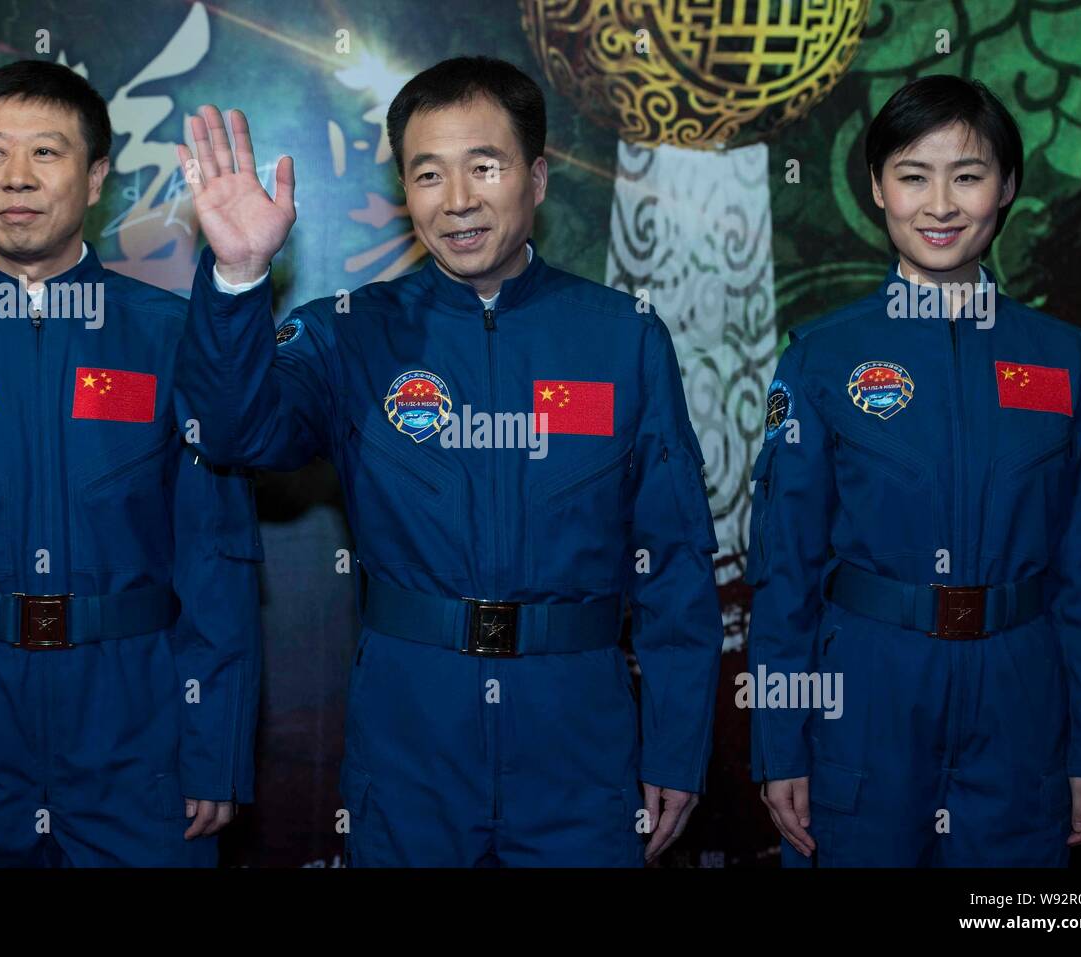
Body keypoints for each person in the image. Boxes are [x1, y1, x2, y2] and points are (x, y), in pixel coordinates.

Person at [173, 56, 722, 866]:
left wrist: (676, 744)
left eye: (485, 167)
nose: (457, 199)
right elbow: (232, 433)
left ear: (536, 178)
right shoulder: (348, 332)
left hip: (579, 733)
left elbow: (675, 560)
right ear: (405, 192)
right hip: (411, 728)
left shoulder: (622, 335)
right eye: (428, 173)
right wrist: (239, 275)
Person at [0, 60, 262, 866]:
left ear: (96, 175)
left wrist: (213, 744)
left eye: (48, 152)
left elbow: (216, 558)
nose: (18, 178)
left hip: (136, 721)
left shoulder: (170, 337)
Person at [748, 74, 1081, 867]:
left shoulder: (1063, 359)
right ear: (880, 190)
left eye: (969, 174)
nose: (941, 204)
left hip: (1020, 692)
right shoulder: (822, 358)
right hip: (868, 686)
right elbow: (786, 570)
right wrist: (779, 740)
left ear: (1008, 188)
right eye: (913, 176)